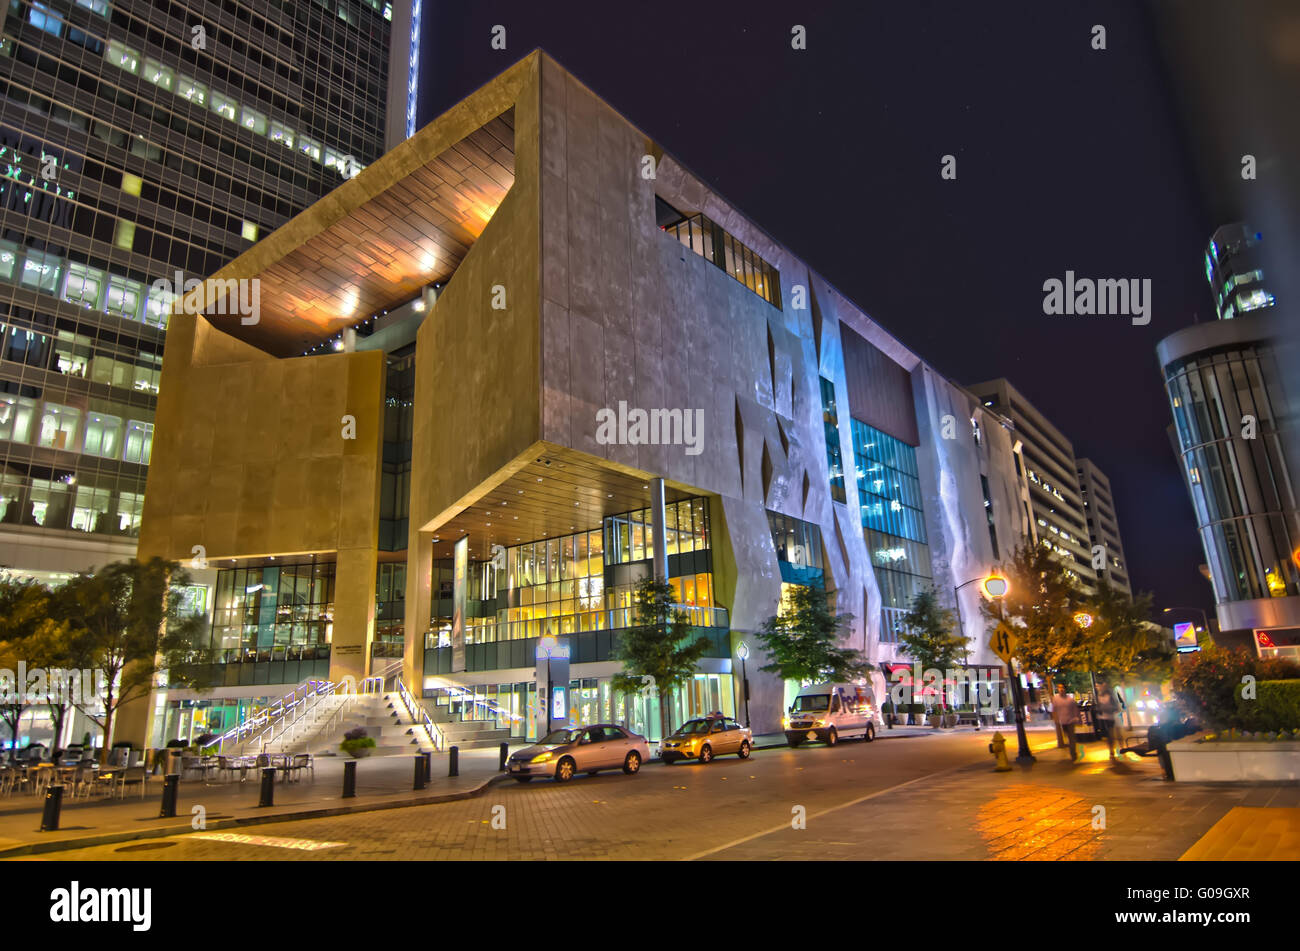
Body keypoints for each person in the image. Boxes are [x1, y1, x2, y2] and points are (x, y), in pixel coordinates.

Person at [1051, 683, 1082, 761]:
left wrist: (1078, 719)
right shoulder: (1055, 699)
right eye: (1059, 688)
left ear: (1065, 689)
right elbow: (1054, 710)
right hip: (1062, 721)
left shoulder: (1070, 699)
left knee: (1071, 738)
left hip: (1070, 721)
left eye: (1062, 688)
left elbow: (1075, 710)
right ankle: (1072, 751)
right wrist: (1056, 719)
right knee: (1067, 738)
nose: (1061, 689)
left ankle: (1073, 753)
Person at [1094, 680, 1122, 760]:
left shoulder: (1110, 694)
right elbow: (1098, 706)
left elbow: (1116, 706)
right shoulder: (1098, 695)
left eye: (1098, 686)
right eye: (1096, 686)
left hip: (1112, 716)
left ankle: (1120, 747)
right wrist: (1099, 709)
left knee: (1114, 734)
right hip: (1103, 717)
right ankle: (1111, 751)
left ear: (1104, 685)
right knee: (1108, 735)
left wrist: (1107, 709)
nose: (1097, 688)